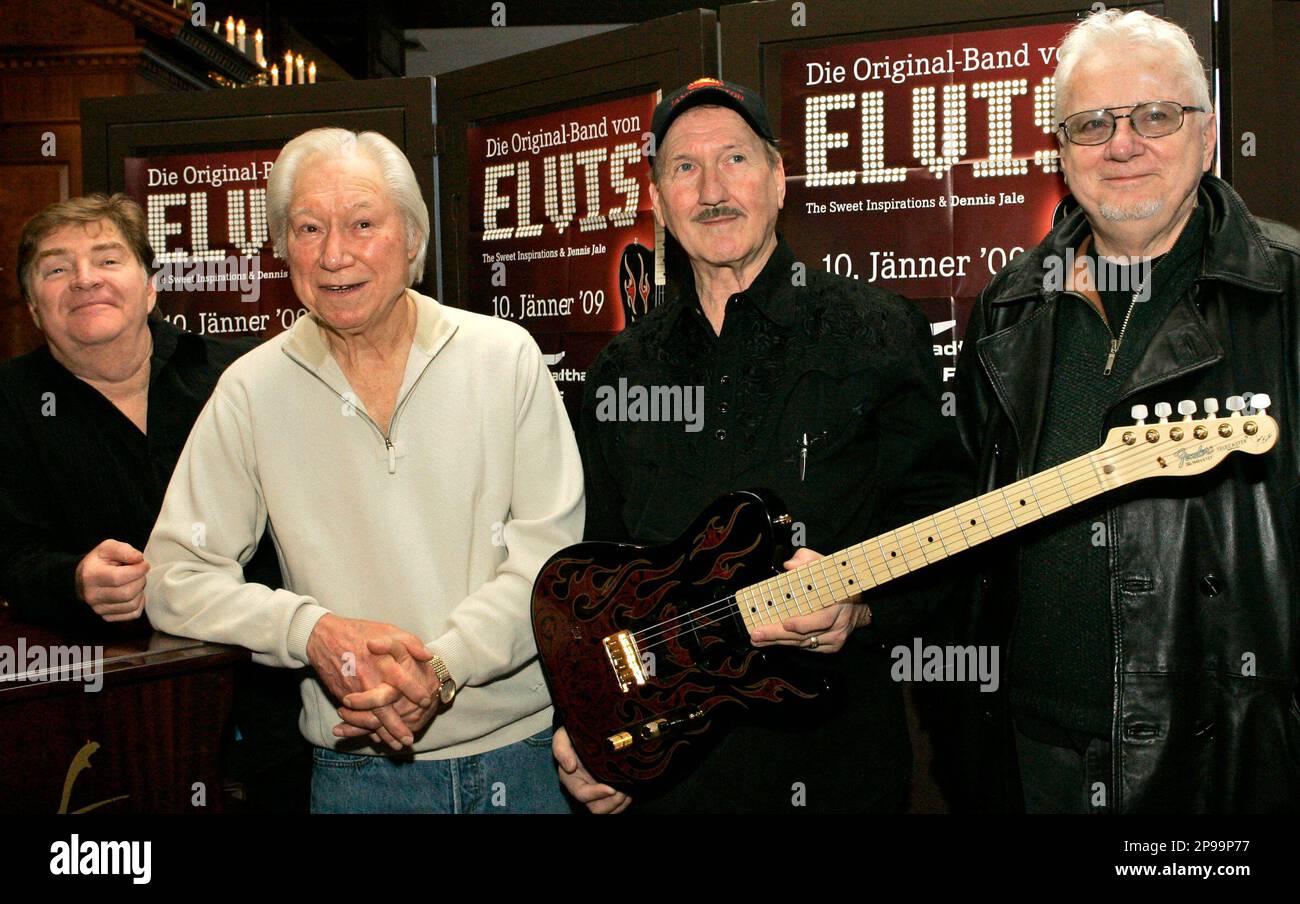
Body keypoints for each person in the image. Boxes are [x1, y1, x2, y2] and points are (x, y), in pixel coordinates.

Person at [555, 78, 971, 813]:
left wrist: (863, 607)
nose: (713, 188)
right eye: (684, 167)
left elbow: (944, 519)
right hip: (673, 775)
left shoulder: (876, 332)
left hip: (834, 756)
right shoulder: (623, 369)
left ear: (779, 181)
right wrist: (596, 729)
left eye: (736, 160)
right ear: (658, 202)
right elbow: (603, 570)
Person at [143, 128, 585, 813]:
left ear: (412, 239)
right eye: (308, 228)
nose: (334, 254)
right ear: (283, 249)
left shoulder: (504, 357)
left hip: (522, 762)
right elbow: (174, 578)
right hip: (357, 775)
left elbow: (551, 559)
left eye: (362, 224)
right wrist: (309, 632)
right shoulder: (251, 390)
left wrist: (443, 669)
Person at [953, 9, 1300, 812]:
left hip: (1229, 764)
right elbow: (965, 531)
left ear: (1207, 135)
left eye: (1155, 115)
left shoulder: (1287, 290)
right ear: (1061, 153)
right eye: (1092, 123)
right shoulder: (1008, 309)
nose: (1122, 144)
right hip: (1037, 758)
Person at [0, 193, 305, 810]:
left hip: (278, 690)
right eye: (56, 269)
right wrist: (73, 578)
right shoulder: (8, 404)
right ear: (34, 309)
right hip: (117, 714)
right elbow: (8, 550)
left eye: (107, 259)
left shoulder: (237, 373)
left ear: (149, 287)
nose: (84, 279)